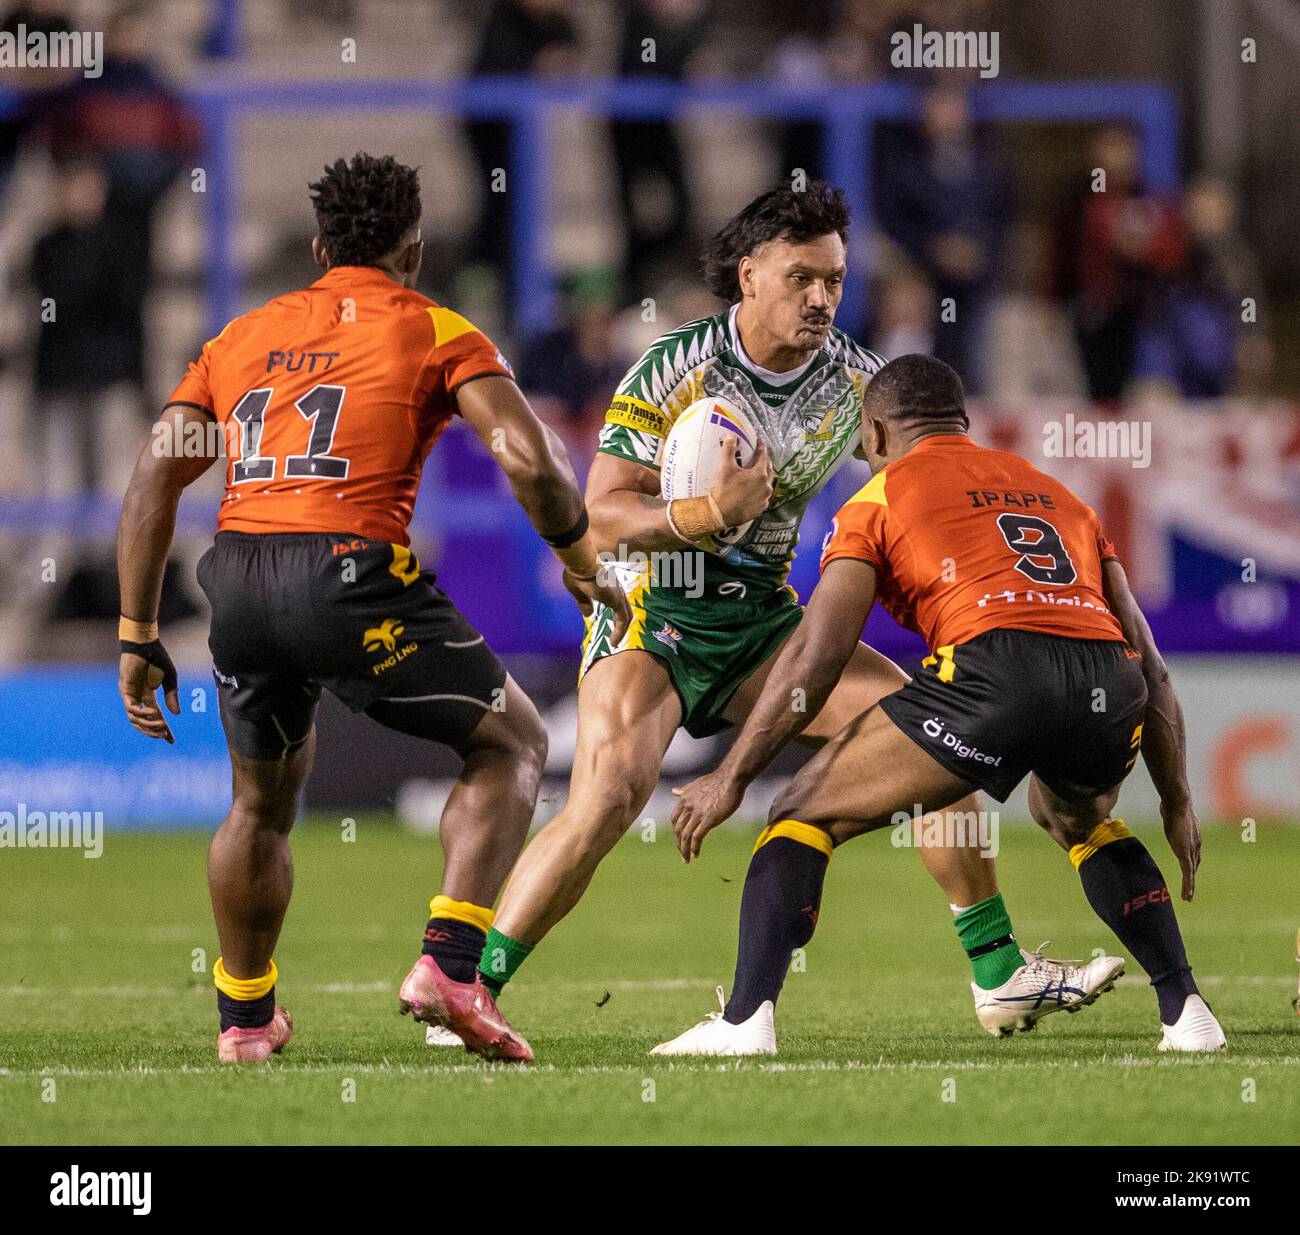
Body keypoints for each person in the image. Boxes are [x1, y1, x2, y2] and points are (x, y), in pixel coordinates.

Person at [465, 184, 1110, 1050]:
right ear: (750, 274)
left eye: (835, 281)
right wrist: (704, 514)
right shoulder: (673, 367)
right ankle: (473, 989)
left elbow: (922, 485)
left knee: (935, 746)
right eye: (802, 277)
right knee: (608, 797)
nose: (820, 298)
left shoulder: (853, 381)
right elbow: (599, 513)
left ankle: (997, 975)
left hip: (764, 622)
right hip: (656, 613)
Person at [114, 153, 629, 1065]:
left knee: (259, 804)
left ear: (318, 248)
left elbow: (155, 471)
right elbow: (529, 456)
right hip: (350, 571)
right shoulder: (433, 326)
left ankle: (243, 1020)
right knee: (511, 742)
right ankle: (450, 965)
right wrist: (580, 559)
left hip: (236, 576)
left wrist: (137, 631)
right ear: (416, 250)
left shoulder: (239, 334)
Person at [660, 353, 1225, 1055]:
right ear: (963, 422)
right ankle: (1187, 1009)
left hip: (995, 671)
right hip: (1109, 681)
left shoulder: (877, 497)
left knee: (801, 813)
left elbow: (815, 654)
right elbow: (1157, 668)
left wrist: (733, 774)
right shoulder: (1059, 495)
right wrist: (1175, 801)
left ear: (875, 434)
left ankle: (744, 1022)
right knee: (1075, 813)